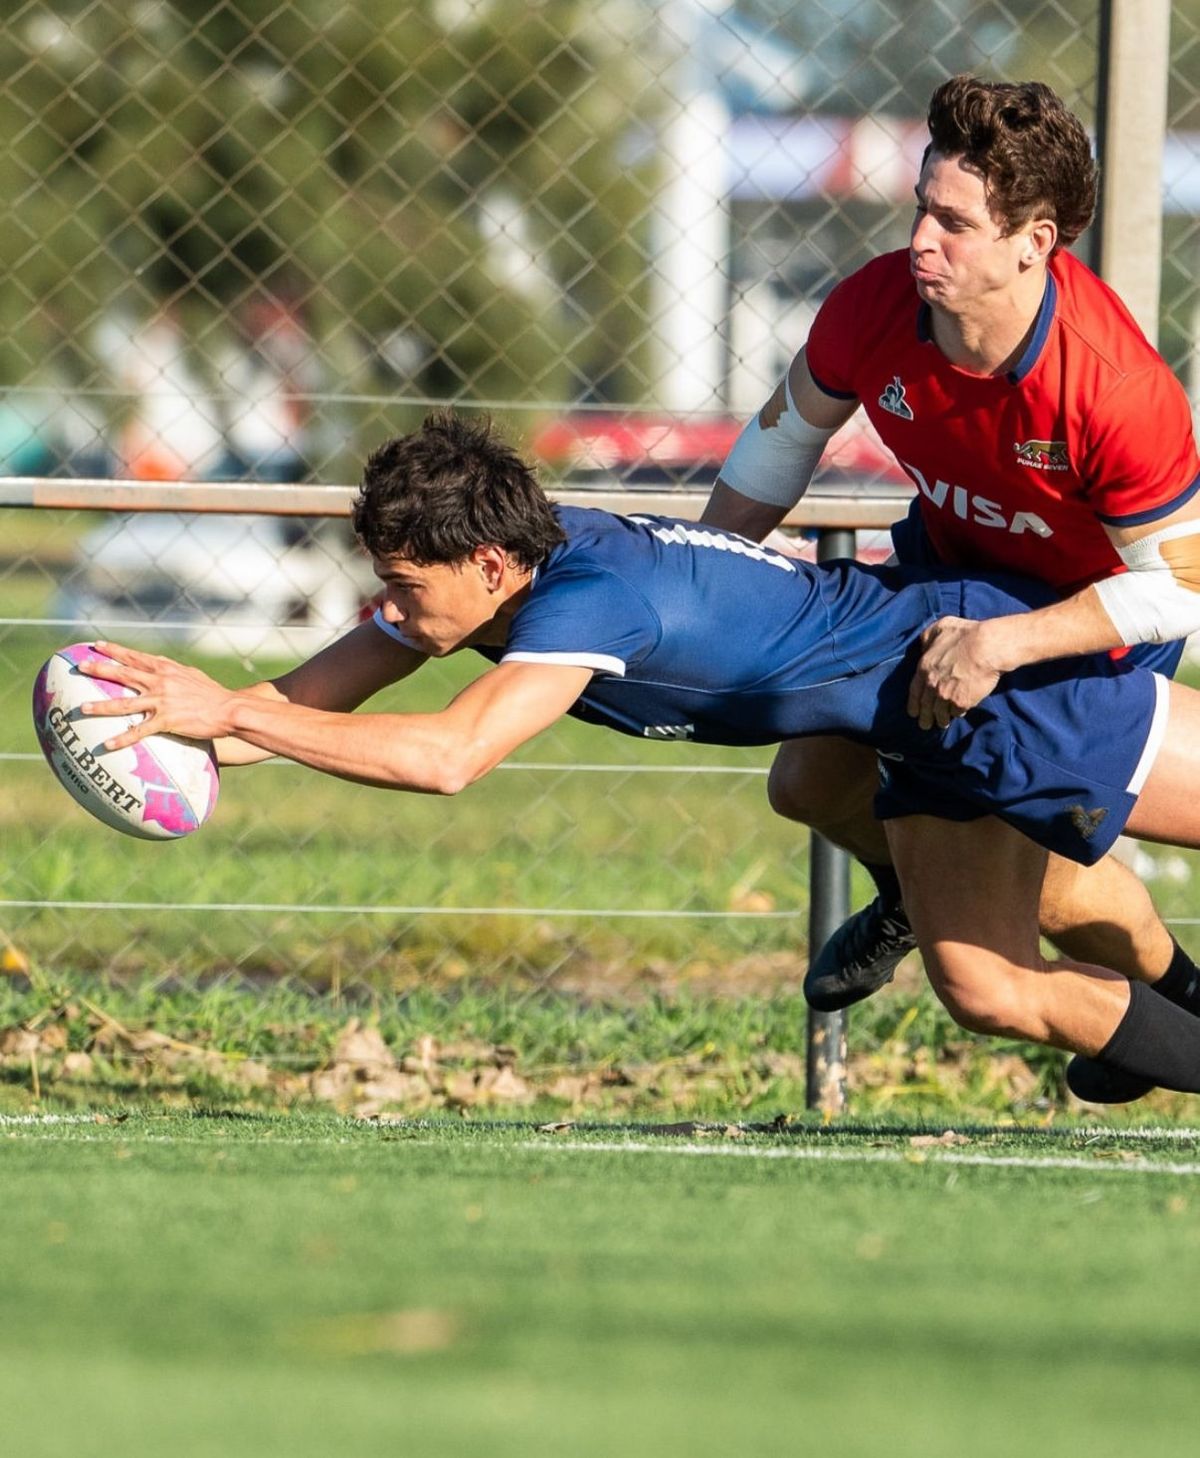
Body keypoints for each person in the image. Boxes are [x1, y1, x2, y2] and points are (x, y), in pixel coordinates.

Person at [79, 412, 1200, 1100]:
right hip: (896, 720)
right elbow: (306, 697)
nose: (388, 605)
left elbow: (449, 758)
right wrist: (200, 713)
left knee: (1008, 952)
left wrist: (233, 720)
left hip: (981, 684)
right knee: (935, 911)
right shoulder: (496, 570)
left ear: (485, 563)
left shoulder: (589, 600)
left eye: (405, 586)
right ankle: (1143, 1011)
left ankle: (1160, 1026)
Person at [700, 74, 1200, 1103]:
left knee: (995, 960)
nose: (921, 240)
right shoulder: (877, 304)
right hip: (946, 588)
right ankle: (920, 894)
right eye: (922, 207)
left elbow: (1180, 591)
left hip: (1083, 631)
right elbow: (775, 452)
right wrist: (693, 587)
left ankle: (1156, 1012)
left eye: (955, 223)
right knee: (810, 784)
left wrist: (1006, 646)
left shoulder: (1113, 386)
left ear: (1036, 241)